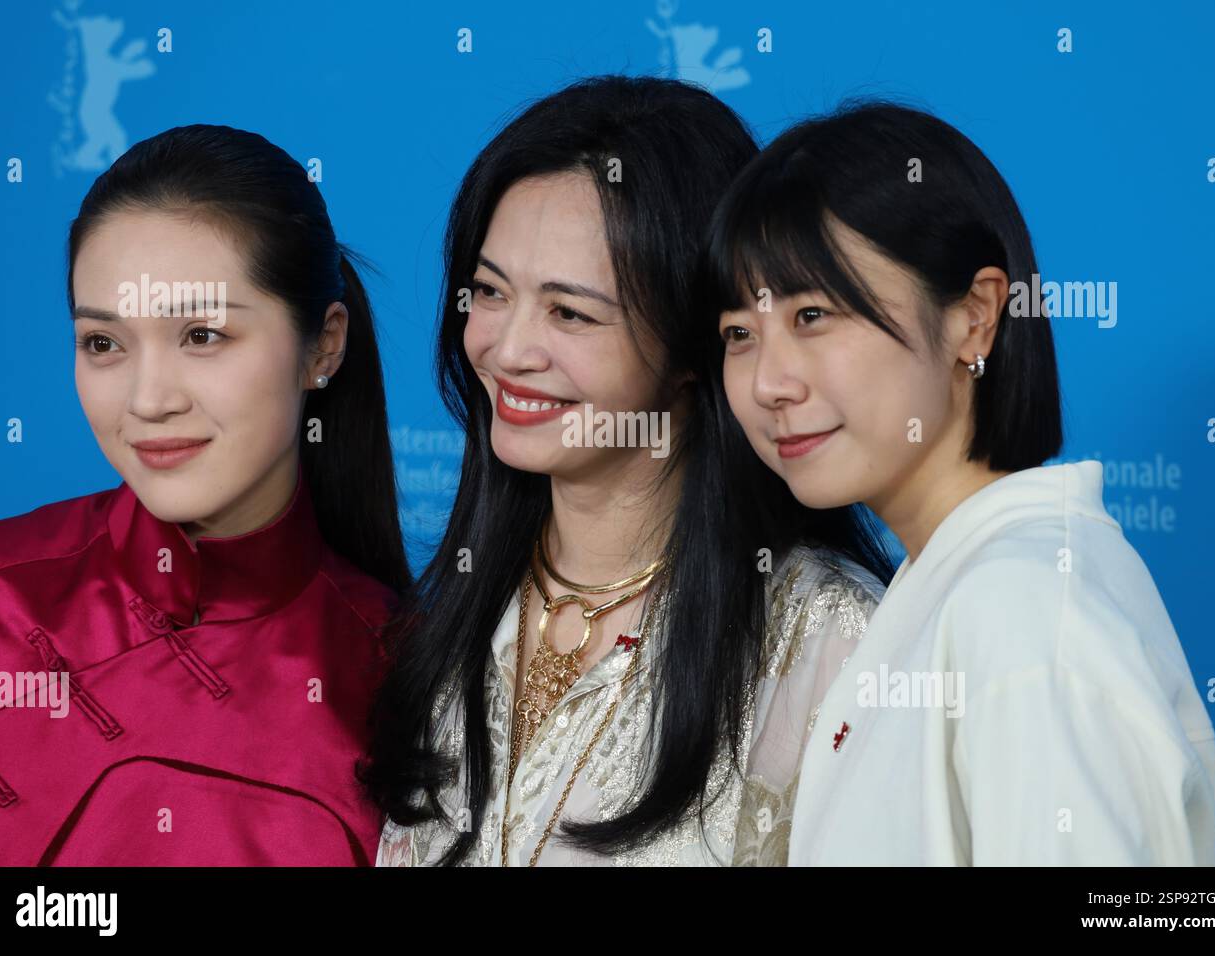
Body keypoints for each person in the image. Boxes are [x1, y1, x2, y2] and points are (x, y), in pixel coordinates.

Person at [361, 76, 893, 867]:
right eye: (489, 292)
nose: (507, 351)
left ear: (694, 343)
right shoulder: (458, 622)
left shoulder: (827, 642)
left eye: (569, 312)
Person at [705, 101, 1215, 865]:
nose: (769, 383)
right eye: (739, 335)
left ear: (975, 317)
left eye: (813, 314)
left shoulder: (1019, 604)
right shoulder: (966, 585)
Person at [0, 125, 409, 865]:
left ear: (323, 346)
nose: (147, 400)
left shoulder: (412, 681)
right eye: (104, 344)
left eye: (202, 335)